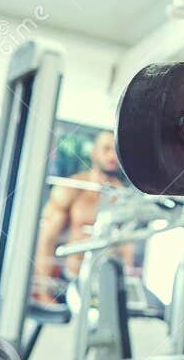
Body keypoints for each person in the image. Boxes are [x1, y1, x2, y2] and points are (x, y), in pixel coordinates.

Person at [31, 130, 128, 305]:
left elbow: (126, 249)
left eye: (116, 150)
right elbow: (46, 240)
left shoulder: (123, 198)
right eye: (106, 149)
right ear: (94, 153)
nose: (112, 156)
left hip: (103, 285)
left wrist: (124, 293)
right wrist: (44, 291)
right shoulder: (72, 189)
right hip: (69, 279)